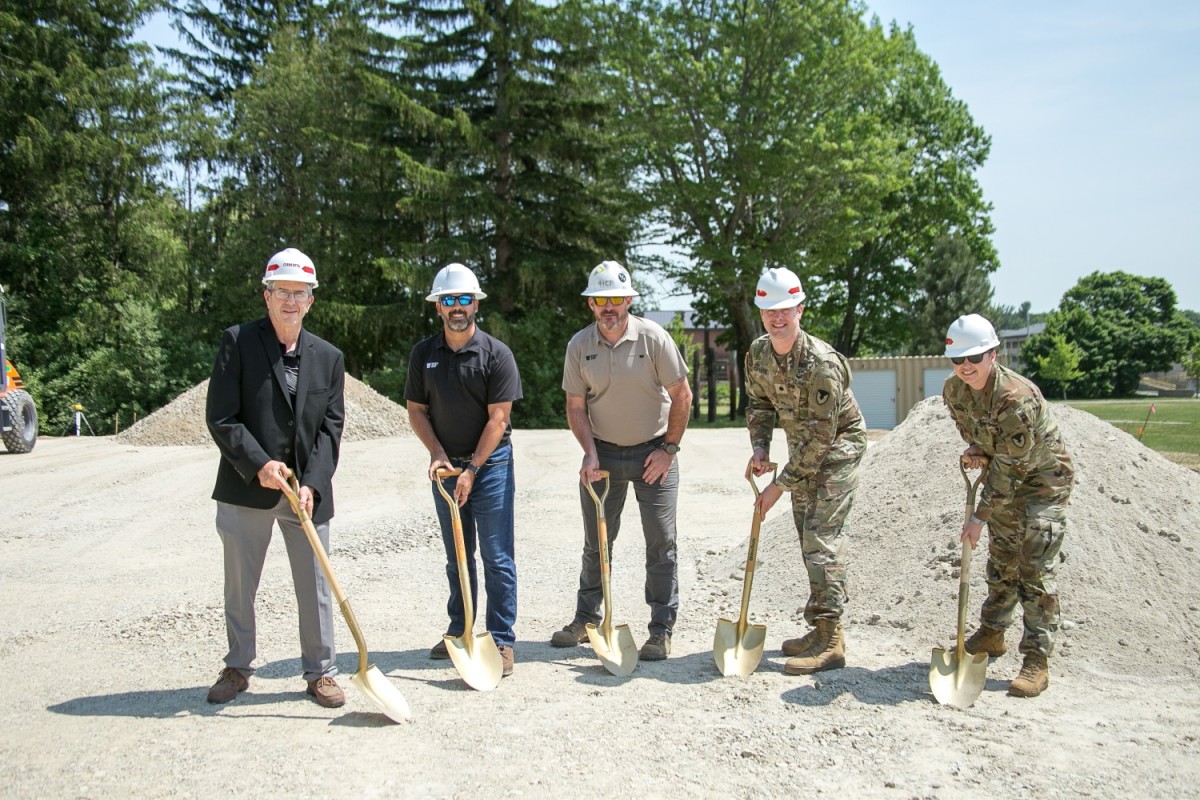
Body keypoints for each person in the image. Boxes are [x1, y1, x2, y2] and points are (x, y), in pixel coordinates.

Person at [204, 247, 347, 708]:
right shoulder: (238, 342)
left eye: (299, 292)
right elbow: (222, 417)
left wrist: (315, 482)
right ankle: (238, 665)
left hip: (305, 492)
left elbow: (331, 429)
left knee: (316, 583)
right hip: (249, 486)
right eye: (282, 291)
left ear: (311, 300)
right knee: (240, 582)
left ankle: (321, 672)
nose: (290, 300)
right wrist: (260, 464)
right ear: (266, 296)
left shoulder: (329, 357)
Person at [554, 260, 692, 661]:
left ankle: (661, 629)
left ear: (629, 299)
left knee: (661, 542)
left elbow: (682, 396)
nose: (608, 307)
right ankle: (586, 619)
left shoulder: (653, 338)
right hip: (604, 455)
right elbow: (575, 406)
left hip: (655, 453)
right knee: (597, 540)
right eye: (600, 300)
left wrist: (668, 450)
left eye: (616, 298)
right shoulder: (579, 346)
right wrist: (590, 453)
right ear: (591, 305)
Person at [942, 313, 1074, 698]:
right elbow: (983, 441)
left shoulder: (1016, 398)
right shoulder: (955, 391)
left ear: (994, 354)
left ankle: (1036, 659)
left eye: (975, 358)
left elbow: (1012, 467)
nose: (966, 367)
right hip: (1007, 475)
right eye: (958, 359)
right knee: (1002, 561)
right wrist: (977, 451)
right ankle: (993, 633)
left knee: (1033, 566)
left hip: (1043, 483)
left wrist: (978, 517)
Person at [744, 267, 866, 675]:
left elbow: (823, 438)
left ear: (800, 309)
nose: (777, 318)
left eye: (785, 310)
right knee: (804, 533)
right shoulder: (759, 354)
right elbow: (759, 405)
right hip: (805, 449)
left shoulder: (821, 364)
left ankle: (831, 640)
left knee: (821, 536)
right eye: (768, 310)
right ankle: (820, 627)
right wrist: (760, 448)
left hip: (838, 447)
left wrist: (778, 487)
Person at [406, 263, 522, 678]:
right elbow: (416, 410)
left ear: (475, 304)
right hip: (446, 468)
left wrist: (471, 468)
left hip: (489, 466)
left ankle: (502, 639)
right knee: (457, 554)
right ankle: (460, 629)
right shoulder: (424, 354)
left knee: (495, 554)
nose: (456, 307)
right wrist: (438, 454)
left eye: (463, 300)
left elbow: (498, 421)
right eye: (448, 300)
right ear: (438, 307)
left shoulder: (496, 354)